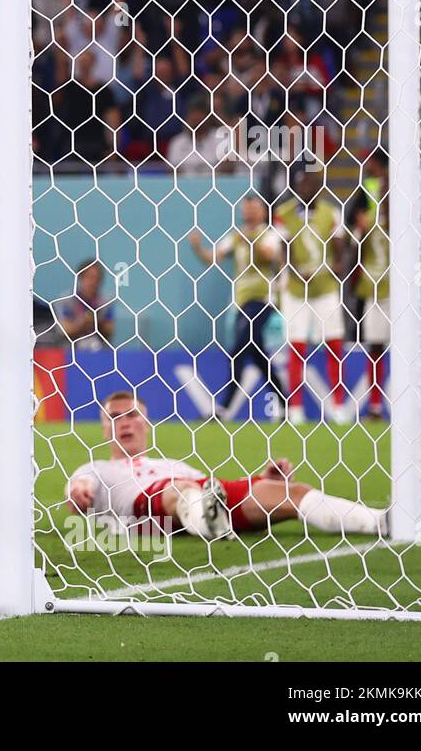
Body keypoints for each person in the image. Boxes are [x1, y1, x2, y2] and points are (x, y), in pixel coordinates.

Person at [65, 391, 387, 540]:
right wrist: (77, 493)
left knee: (291, 492)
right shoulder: (96, 469)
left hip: (204, 494)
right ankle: (206, 522)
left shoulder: (171, 463)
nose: (125, 422)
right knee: (180, 488)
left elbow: (217, 487)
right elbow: (78, 489)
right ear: (105, 427)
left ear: (147, 422)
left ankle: (379, 521)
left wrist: (260, 479)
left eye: (133, 415)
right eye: (115, 417)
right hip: (147, 509)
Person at [189, 195, 288, 420]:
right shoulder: (236, 237)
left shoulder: (270, 234)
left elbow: (269, 255)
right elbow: (211, 258)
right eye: (247, 209)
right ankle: (285, 403)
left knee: (239, 350)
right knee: (258, 354)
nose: (250, 213)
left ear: (263, 212)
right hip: (242, 302)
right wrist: (197, 247)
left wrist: (249, 240)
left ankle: (224, 409)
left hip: (264, 298)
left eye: (254, 209)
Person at [275, 168, 349, 424]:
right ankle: (295, 408)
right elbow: (283, 251)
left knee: (334, 345)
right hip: (296, 291)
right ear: (295, 186)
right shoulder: (283, 214)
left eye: (311, 183)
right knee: (296, 347)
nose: (306, 188)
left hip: (324, 288)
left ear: (320, 186)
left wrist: (339, 264)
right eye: (302, 184)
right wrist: (295, 273)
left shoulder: (332, 212)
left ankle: (338, 406)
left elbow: (340, 248)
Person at [352, 173, 389, 420]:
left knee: (405, 346)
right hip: (373, 289)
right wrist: (362, 230)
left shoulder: (405, 220)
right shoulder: (369, 221)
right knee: (375, 346)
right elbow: (354, 249)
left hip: (400, 290)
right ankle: (375, 407)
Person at [56, 259, 115, 350]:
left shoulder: (105, 302)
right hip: (70, 351)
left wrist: (96, 322)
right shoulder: (66, 300)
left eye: (97, 278)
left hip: (99, 350)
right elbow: (64, 329)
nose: (93, 282)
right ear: (80, 277)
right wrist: (81, 324)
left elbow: (109, 330)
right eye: (90, 277)